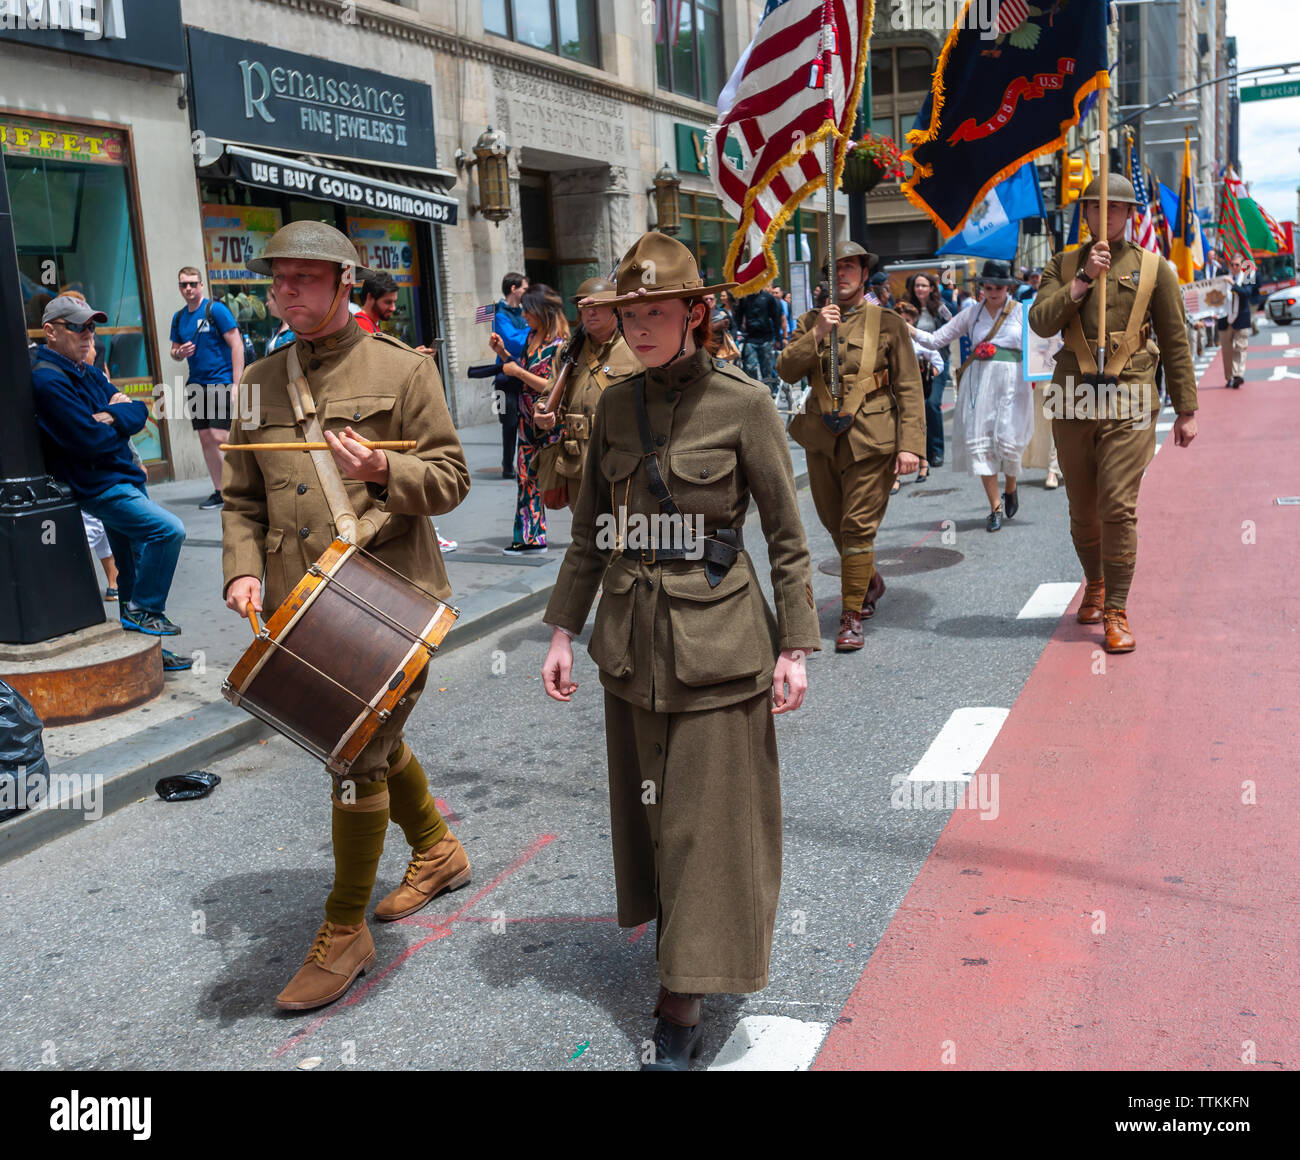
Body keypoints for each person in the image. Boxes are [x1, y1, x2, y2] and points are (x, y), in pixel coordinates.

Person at [539, 231, 819, 1071]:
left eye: (658, 314)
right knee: (654, 817)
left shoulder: (745, 404)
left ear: (696, 314)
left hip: (720, 642)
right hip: (631, 642)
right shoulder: (615, 405)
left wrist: (794, 646)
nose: (642, 329)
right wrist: (562, 629)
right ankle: (680, 944)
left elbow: (787, 535)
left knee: (708, 824)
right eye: (630, 316)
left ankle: (683, 998)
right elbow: (590, 532)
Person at [222, 220, 472, 1011]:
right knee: (366, 737)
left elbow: (452, 476)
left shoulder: (400, 369)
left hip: (387, 601)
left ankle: (344, 931)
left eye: (302, 278)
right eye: (278, 278)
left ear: (341, 284)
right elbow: (240, 498)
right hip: (303, 606)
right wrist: (241, 571)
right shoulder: (259, 382)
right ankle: (436, 851)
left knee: (355, 756)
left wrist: (384, 468)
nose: (285, 291)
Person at [1029, 173, 1198, 653]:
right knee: (1082, 510)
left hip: (1131, 398)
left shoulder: (1155, 269)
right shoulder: (1062, 266)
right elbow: (1040, 323)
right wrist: (1081, 282)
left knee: (1116, 507)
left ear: (1129, 215)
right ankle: (1095, 583)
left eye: (1116, 209)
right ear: (1084, 215)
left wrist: (1186, 409)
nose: (1106, 217)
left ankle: (1117, 610)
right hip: (1073, 398)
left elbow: (1175, 340)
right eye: (1096, 209)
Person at [777, 239, 925, 651]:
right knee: (834, 524)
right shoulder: (810, 322)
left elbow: (909, 387)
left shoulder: (889, 323)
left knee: (857, 527)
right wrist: (819, 332)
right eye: (835, 268)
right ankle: (869, 581)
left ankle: (851, 615)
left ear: (863, 273)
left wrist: (910, 446)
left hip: (871, 439)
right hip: (822, 439)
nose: (842, 274)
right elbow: (787, 371)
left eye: (850, 267)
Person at [32, 296, 187, 642]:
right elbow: (89, 439)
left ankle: (150, 652)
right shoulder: (48, 380)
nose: (89, 334)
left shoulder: (83, 370)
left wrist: (111, 415)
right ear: (50, 332)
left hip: (121, 478)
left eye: (91, 326)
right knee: (169, 531)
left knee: (131, 569)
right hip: (100, 486)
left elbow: (140, 411)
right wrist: (116, 416)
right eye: (77, 326)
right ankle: (146, 609)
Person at [910, 260, 1030, 532]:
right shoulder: (971, 314)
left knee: (1009, 443)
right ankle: (995, 507)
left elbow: (1042, 347)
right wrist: (909, 330)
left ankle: (1011, 487)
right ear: (982, 287)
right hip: (980, 383)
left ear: (1008, 287)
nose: (993, 291)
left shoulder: (1022, 312)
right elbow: (936, 339)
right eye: (988, 287)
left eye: (999, 287)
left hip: (1013, 383)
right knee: (983, 445)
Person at [533, 277, 641, 511]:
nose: (589, 312)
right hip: (577, 462)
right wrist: (541, 412)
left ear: (615, 308)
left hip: (621, 459)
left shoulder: (637, 348)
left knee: (621, 535)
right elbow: (549, 395)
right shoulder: (567, 352)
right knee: (585, 535)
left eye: (597, 305)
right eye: (583, 306)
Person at [489, 283, 568, 554]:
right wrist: (502, 353)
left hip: (548, 425)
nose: (524, 316)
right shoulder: (532, 337)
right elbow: (521, 367)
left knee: (563, 482)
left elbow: (550, 385)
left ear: (542, 312)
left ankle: (594, 531)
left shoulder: (559, 346)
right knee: (526, 479)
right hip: (526, 424)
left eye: (528, 311)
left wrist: (519, 374)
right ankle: (530, 538)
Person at [170, 267, 245, 511]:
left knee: (219, 436)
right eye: (183, 285)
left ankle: (241, 486)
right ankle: (220, 490)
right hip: (197, 384)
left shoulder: (215, 310)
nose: (188, 289)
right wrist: (178, 353)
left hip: (221, 380)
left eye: (192, 284)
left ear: (201, 285)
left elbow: (236, 344)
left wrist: (237, 383)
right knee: (205, 439)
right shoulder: (179, 317)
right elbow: (174, 351)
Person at [891, 301, 944, 494]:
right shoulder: (889, 341)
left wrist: (928, 375)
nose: (904, 324)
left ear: (913, 321)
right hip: (893, 392)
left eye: (907, 320)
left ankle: (923, 462)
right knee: (894, 430)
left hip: (916, 392)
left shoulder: (919, 343)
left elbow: (939, 363)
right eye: (900, 320)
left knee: (916, 428)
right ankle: (894, 476)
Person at [905, 272, 953, 475]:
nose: (920, 289)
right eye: (917, 285)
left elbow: (952, 329)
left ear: (932, 288)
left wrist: (936, 359)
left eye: (924, 285)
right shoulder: (907, 307)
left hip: (937, 362)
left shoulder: (941, 308)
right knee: (918, 408)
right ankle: (920, 451)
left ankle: (937, 450)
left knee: (932, 403)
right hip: (913, 365)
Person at [493, 272, 529, 480]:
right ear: (514, 289)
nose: (527, 292)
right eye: (524, 288)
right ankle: (507, 465)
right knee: (509, 422)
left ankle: (523, 463)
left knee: (526, 420)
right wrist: (531, 334)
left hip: (526, 374)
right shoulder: (498, 314)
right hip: (505, 379)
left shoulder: (525, 312)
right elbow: (513, 342)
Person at [735, 285, 785, 396]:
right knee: (750, 367)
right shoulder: (745, 298)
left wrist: (778, 339)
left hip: (766, 339)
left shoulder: (768, 298)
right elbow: (738, 317)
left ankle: (768, 394)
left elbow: (776, 319)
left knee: (766, 370)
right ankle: (754, 393)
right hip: (750, 339)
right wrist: (736, 334)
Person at [1221, 254, 1255, 389]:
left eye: (1237, 265)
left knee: (1240, 348)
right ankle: (1229, 377)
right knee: (1227, 351)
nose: (1234, 267)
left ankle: (1238, 375)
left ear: (1242, 266)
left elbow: (1247, 293)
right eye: (1232, 264)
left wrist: (1233, 284)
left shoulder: (1248, 275)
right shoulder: (1222, 275)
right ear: (1228, 265)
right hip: (1224, 318)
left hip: (1241, 318)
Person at [264, 286, 295, 355]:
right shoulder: (278, 328)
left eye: (268, 300)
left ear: (278, 300)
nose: (266, 304)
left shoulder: (295, 330)